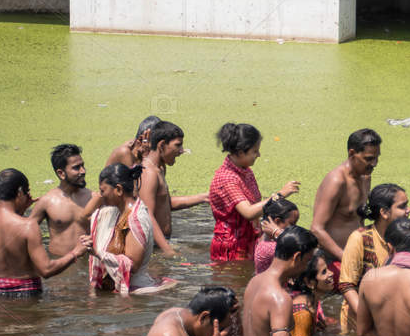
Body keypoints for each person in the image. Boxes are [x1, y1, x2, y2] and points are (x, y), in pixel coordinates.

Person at [0, 168, 90, 296]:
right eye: (27, 191)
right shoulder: (29, 226)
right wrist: (76, 252)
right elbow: (46, 270)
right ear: (19, 192)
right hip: (26, 292)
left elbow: (8, 231)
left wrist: (20, 210)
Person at [209, 122, 300, 265]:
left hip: (250, 240)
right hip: (231, 247)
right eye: (255, 151)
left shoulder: (245, 171)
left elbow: (257, 204)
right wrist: (280, 195)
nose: (258, 155)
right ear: (240, 152)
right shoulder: (227, 178)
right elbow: (249, 212)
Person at [236, 227, 313, 336]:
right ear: (297, 257)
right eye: (307, 261)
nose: (307, 267)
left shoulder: (254, 281)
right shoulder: (280, 298)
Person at [311, 128, 383, 282]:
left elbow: (360, 218)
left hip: (357, 256)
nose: (374, 164)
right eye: (369, 159)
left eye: (377, 158)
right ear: (352, 154)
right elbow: (316, 229)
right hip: (332, 259)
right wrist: (347, 259)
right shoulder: (337, 181)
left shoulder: (365, 177)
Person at [89, 164, 173, 294]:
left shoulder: (136, 218)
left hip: (135, 291)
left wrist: (97, 253)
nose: (101, 195)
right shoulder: (114, 213)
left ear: (118, 190)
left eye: (103, 191)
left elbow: (132, 265)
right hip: (116, 287)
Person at [338, 182, 408, 333]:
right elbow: (346, 286)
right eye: (402, 207)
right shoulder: (360, 238)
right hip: (360, 328)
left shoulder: (405, 239)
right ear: (384, 212)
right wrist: (372, 319)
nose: (408, 211)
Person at [138, 121, 210, 257]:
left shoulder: (159, 168)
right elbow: (147, 215)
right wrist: (168, 250)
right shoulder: (149, 173)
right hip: (153, 247)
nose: (181, 151)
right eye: (177, 145)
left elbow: (164, 204)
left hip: (161, 243)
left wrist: (204, 198)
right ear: (162, 145)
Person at [30, 144, 102, 259]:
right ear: (61, 173)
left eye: (83, 165)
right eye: (76, 167)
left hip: (86, 266)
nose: (83, 171)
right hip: (59, 268)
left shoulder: (94, 198)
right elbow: (24, 232)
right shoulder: (47, 201)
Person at [291, 248, 342, 336]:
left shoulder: (312, 300)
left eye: (327, 269)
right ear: (309, 282)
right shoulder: (302, 315)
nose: (331, 273)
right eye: (324, 272)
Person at [253, 195, 301, 274]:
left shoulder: (265, 238)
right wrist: (277, 232)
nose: (294, 228)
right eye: (292, 224)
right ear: (277, 221)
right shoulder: (270, 247)